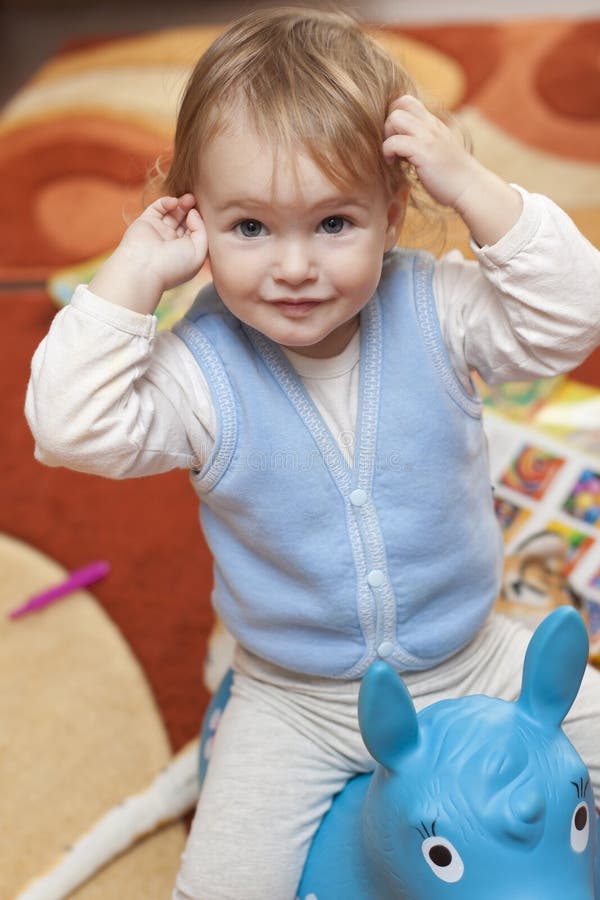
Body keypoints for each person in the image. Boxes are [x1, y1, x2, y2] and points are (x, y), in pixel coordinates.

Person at [25, 8, 600, 899]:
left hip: (475, 657)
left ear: (395, 209)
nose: (293, 266)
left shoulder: (439, 310)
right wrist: (132, 275)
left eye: (334, 223)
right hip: (297, 698)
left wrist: (473, 185)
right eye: (249, 228)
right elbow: (68, 426)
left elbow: (574, 313)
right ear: (195, 219)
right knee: (224, 885)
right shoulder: (198, 373)